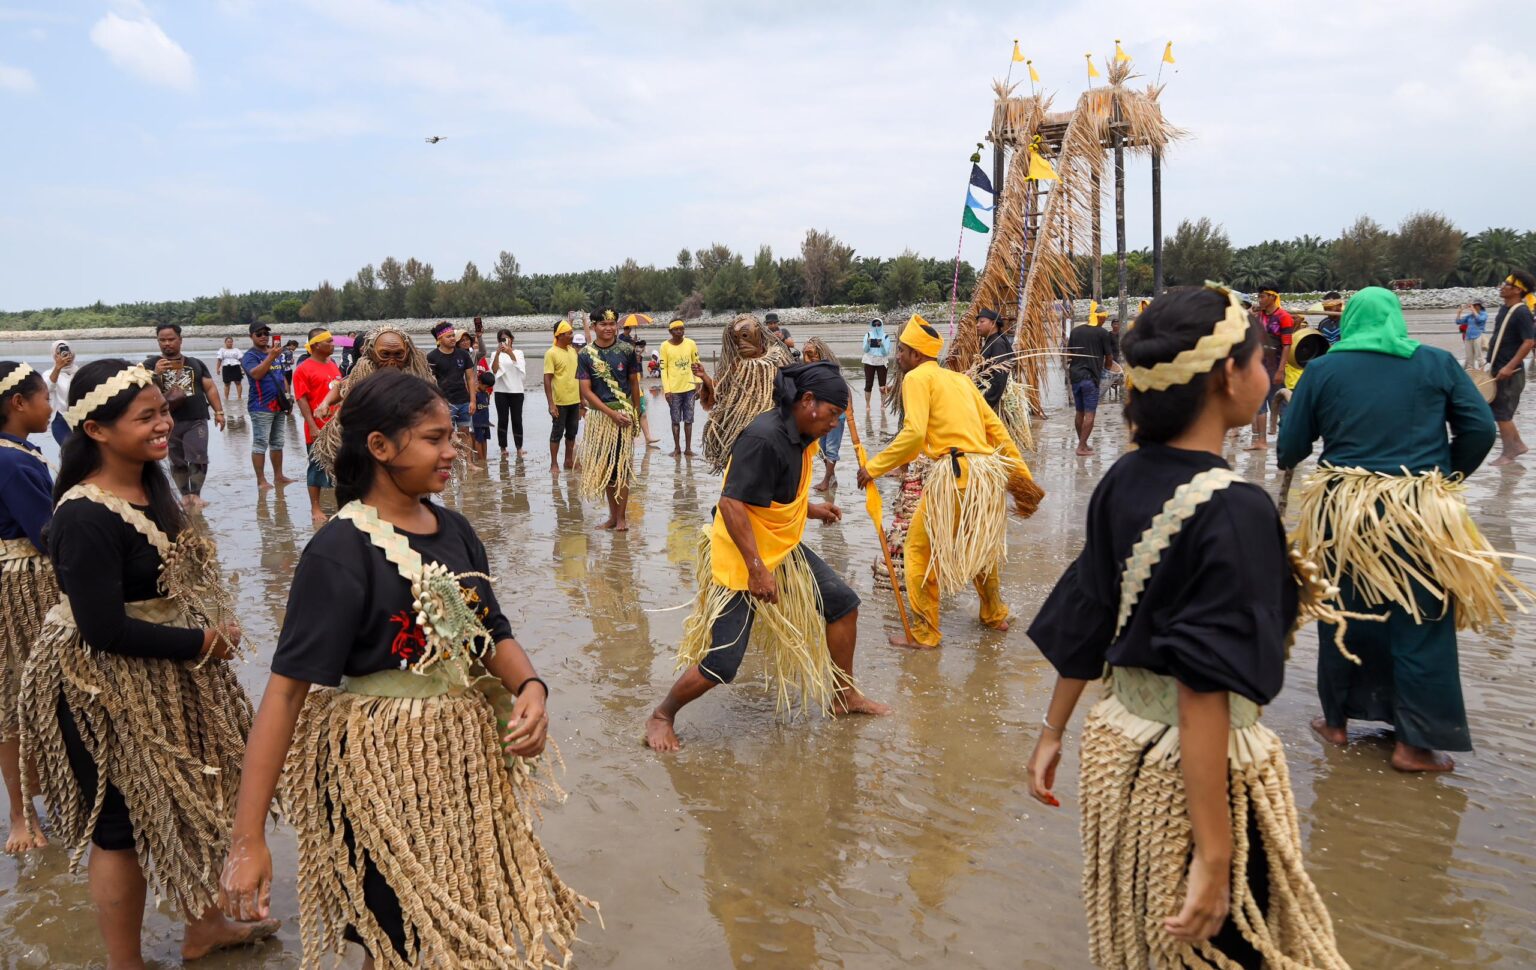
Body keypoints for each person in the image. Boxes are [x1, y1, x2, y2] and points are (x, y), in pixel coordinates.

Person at [217, 370, 594, 967]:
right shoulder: (338, 553)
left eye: (453, 436)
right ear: (380, 447)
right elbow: (285, 696)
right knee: (395, 935)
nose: (453, 450)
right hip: (376, 778)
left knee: (461, 914)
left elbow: (490, 631)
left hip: (459, 771)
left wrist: (531, 687)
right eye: (434, 438)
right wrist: (248, 839)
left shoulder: (457, 531)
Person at [1026, 284, 1350, 970]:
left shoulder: (1123, 479)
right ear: (1227, 376)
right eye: (1261, 358)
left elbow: (1086, 613)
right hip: (1198, 783)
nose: (1267, 372)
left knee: (1148, 948)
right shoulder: (1236, 508)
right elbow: (1205, 684)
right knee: (1227, 950)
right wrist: (1214, 851)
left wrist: (1053, 733)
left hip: (1125, 758)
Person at [18, 359, 275, 964]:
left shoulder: (151, 486)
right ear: (98, 431)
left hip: (164, 677)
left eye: (164, 410)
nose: (164, 423)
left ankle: (204, 927)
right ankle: (124, 961)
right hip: (97, 686)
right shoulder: (83, 513)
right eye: (147, 416)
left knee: (190, 800)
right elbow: (102, 628)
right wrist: (201, 644)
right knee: (119, 826)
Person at [1279, 286, 1518, 773]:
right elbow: (1481, 428)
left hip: (1344, 514)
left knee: (1342, 613)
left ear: (1350, 322)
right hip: (1418, 511)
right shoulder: (1435, 362)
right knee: (1421, 618)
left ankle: (1338, 725)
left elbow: (1290, 449)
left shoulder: (1322, 368)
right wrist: (1442, 475)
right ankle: (1413, 745)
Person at [646, 362, 890, 752]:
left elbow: (772, 494)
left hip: (776, 544)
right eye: (832, 414)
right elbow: (731, 503)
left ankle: (843, 696)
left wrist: (810, 509)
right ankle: (662, 714)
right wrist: (757, 569)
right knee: (724, 662)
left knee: (843, 604)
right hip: (742, 551)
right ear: (807, 401)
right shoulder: (764, 438)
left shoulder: (802, 433)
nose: (834, 424)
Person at [857, 316, 1044, 649]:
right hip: (985, 476)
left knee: (918, 551)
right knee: (980, 547)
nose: (897, 356)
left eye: (901, 350)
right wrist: (1022, 480)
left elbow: (913, 435)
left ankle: (926, 634)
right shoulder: (960, 381)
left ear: (915, 354)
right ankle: (994, 614)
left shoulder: (916, 378)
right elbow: (996, 431)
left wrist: (873, 467)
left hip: (955, 476)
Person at [0, 361, 55, 852]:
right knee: (22, 697)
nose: (49, 405)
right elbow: (45, 535)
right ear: (19, 403)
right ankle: (22, 814)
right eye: (43, 397)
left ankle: (38, 804)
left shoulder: (18, 452)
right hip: (22, 588)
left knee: (19, 696)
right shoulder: (13, 462)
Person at [309, 325, 436, 476]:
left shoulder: (416, 378)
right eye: (385, 354)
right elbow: (342, 387)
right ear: (372, 353)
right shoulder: (363, 376)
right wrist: (325, 403)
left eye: (398, 354)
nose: (392, 361)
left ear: (407, 353)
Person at [144, 323, 224, 510]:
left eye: (171, 339)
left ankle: (196, 495)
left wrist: (219, 412)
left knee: (198, 456)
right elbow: (139, 391)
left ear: (180, 340)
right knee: (176, 460)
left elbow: (210, 388)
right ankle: (185, 496)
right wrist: (155, 374)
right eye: (162, 340)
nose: (167, 344)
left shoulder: (195, 363)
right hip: (167, 421)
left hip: (196, 418)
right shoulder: (148, 365)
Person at [577, 312, 643, 530]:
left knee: (621, 468)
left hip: (623, 417)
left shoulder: (627, 350)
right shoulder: (586, 354)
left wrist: (635, 413)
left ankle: (622, 518)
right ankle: (613, 517)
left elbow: (634, 384)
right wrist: (609, 413)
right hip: (600, 419)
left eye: (612, 324)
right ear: (594, 326)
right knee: (606, 468)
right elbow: (586, 391)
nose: (608, 328)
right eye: (603, 324)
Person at [702, 314, 789, 472]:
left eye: (745, 336)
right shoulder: (734, 366)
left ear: (759, 334)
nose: (741, 343)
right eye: (736, 338)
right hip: (742, 431)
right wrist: (704, 377)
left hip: (771, 429)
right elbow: (719, 395)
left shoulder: (778, 359)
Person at [293, 327, 342, 527]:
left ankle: (342, 504)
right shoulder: (303, 369)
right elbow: (301, 400)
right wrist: (312, 425)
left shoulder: (333, 364)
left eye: (333, 340)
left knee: (341, 466)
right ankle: (315, 507)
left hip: (337, 427)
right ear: (316, 345)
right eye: (329, 341)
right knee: (316, 467)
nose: (333, 344)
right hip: (317, 428)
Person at [1486, 271, 1536, 465]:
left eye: (1507, 283)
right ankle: (1518, 445)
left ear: (1517, 290)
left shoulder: (1521, 312)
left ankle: (1509, 452)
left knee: (1502, 412)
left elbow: (1529, 341)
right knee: (1499, 409)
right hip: (1498, 367)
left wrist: (1509, 366)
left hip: (1510, 371)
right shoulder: (1504, 309)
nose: (1502, 285)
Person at [242, 321, 295, 489]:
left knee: (278, 442)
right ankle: (261, 480)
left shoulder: (276, 353)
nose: (264, 336)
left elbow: (282, 377)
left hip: (279, 404)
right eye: (259, 334)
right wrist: (271, 357)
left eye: (266, 333)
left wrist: (288, 398)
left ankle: (279, 476)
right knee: (260, 443)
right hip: (260, 406)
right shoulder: (250, 356)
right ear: (251, 336)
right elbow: (256, 374)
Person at [1065, 302, 1117, 456]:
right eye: (1103, 318)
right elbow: (1109, 357)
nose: (1103, 321)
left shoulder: (1075, 332)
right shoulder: (1102, 333)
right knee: (1090, 414)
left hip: (1075, 377)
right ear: (1099, 317)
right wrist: (1107, 370)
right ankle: (1081, 447)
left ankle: (1083, 443)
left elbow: (1069, 354)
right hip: (1090, 378)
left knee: (1079, 412)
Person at [1248, 286, 1293, 448]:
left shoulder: (1284, 317)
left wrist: (1281, 370)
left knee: (1280, 403)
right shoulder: (1258, 316)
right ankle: (1261, 440)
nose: (1259, 300)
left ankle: (1288, 438)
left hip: (1275, 365)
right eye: (1258, 297)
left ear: (1272, 297)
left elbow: (1287, 345)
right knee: (1259, 402)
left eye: (1262, 296)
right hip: (1259, 365)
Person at [800, 337, 847, 492]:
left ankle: (827, 480)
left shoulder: (829, 373)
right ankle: (831, 477)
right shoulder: (809, 373)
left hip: (834, 417)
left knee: (831, 448)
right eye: (805, 354)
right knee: (821, 448)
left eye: (812, 354)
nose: (808, 358)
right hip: (819, 417)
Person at [544, 320, 582, 472]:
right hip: (559, 401)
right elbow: (547, 379)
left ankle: (568, 460)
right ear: (559, 335)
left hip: (575, 400)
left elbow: (578, 375)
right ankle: (554, 463)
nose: (572, 336)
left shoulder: (572, 351)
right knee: (557, 433)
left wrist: (582, 399)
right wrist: (551, 404)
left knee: (572, 432)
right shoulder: (551, 353)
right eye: (569, 333)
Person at [660, 319, 703, 456]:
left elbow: (696, 364)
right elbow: (663, 369)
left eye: (682, 329)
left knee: (689, 419)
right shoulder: (664, 346)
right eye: (676, 329)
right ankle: (677, 448)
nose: (680, 331)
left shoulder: (691, 343)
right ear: (670, 331)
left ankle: (688, 448)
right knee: (675, 420)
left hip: (690, 388)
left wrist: (698, 383)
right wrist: (667, 390)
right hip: (674, 391)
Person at [426, 321, 476, 437]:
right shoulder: (432, 357)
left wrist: (473, 401)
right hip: (445, 403)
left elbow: (470, 378)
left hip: (464, 401)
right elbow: (430, 383)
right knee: (449, 436)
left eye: (453, 335)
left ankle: (467, 456)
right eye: (448, 336)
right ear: (440, 338)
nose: (452, 339)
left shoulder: (463, 355)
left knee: (465, 434)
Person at [488, 329, 527, 456]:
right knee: (503, 419)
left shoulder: (518, 352)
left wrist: (510, 353)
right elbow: (494, 371)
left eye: (506, 338)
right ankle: (503, 447)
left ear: (511, 339)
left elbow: (520, 367)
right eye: (501, 339)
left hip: (516, 390)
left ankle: (519, 447)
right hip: (501, 391)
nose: (504, 341)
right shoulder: (495, 354)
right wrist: (498, 355)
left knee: (517, 419)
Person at [974, 307, 1014, 412]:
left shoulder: (997, 343)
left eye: (982, 322)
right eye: (977, 322)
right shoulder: (991, 341)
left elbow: (1000, 376)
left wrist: (986, 403)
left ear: (993, 324)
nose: (977, 325)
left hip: (991, 402)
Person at [46, 339, 78, 444]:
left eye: (67, 351)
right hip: (60, 419)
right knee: (68, 448)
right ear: (55, 356)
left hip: (79, 417)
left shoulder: (79, 372)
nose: (65, 355)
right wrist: (58, 368)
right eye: (60, 352)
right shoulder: (49, 373)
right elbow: (47, 388)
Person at [860, 317, 893, 410]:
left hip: (882, 361)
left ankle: (883, 404)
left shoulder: (885, 336)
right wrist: (868, 343)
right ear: (872, 325)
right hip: (869, 360)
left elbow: (886, 352)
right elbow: (865, 350)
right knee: (868, 384)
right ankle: (867, 404)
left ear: (881, 325)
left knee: (882, 384)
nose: (876, 326)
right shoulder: (867, 335)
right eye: (874, 324)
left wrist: (882, 345)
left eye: (878, 324)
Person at [1456, 301, 1488, 369]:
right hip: (1468, 337)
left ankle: (1481, 373)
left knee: (1479, 357)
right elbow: (1458, 322)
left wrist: (1473, 310)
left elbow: (1479, 319)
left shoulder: (1484, 314)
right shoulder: (1469, 316)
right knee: (1469, 357)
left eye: (1475, 306)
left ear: (1479, 306)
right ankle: (1471, 372)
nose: (1473, 307)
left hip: (1478, 336)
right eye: (1473, 306)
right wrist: (1459, 312)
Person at [470, 370, 493, 463]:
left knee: (485, 439)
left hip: (485, 421)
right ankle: (480, 460)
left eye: (488, 387)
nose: (486, 389)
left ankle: (484, 458)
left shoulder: (486, 394)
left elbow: (486, 407)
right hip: (477, 422)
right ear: (479, 382)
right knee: (478, 440)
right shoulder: (474, 394)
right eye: (485, 386)